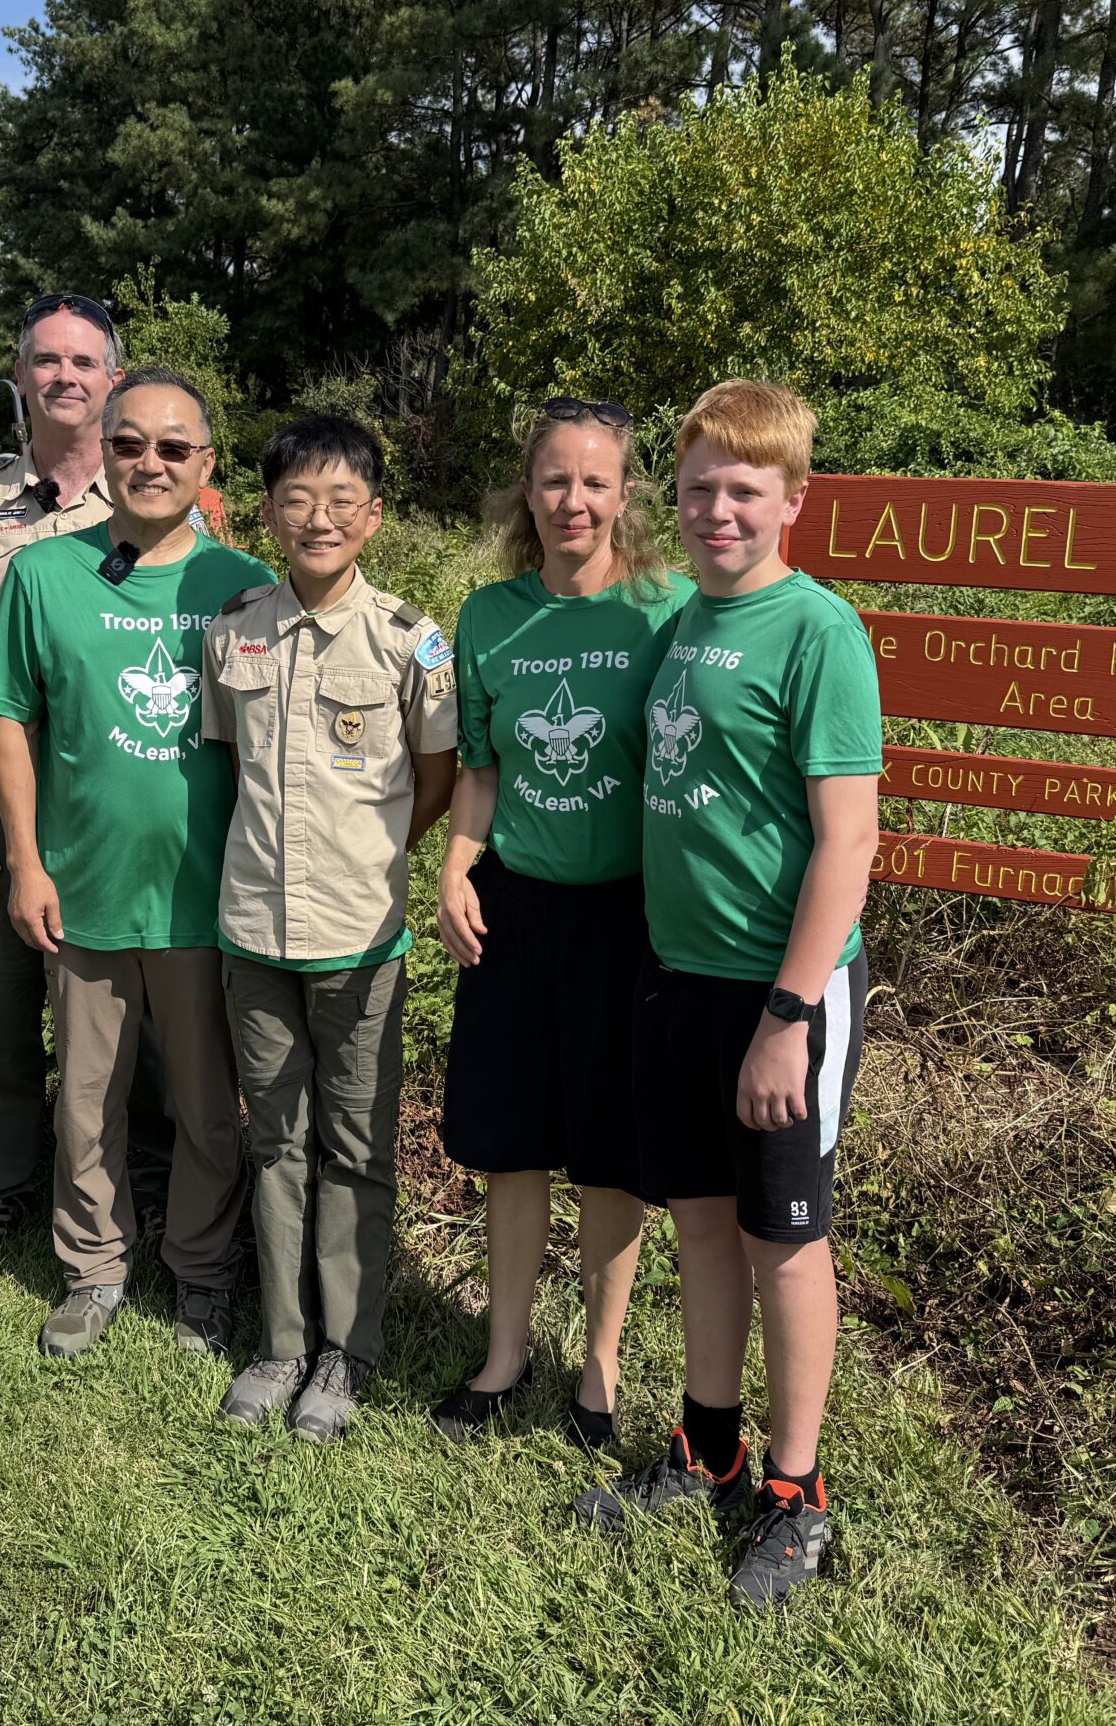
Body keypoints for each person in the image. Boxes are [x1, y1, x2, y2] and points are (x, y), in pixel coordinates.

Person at [571, 379, 881, 1614]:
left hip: (775, 991)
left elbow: (847, 844)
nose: (715, 511)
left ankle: (796, 1497)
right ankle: (707, 1448)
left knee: (783, 1238)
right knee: (700, 1220)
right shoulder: (684, 624)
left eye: (743, 491)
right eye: (697, 488)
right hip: (676, 980)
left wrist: (790, 1017)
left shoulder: (818, 632)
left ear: (794, 501)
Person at [0, 367, 274, 1358]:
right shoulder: (42, 575)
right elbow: (9, 722)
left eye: (173, 447)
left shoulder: (241, 588)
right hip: (84, 889)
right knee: (87, 1102)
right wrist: (25, 861)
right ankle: (93, 1267)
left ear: (206, 464)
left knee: (203, 1109)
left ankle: (198, 1274)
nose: (151, 462)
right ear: (102, 452)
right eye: (130, 444)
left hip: (206, 901)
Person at [428, 397, 692, 1447]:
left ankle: (600, 1367)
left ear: (624, 493)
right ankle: (503, 1355)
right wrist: (455, 868)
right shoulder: (491, 616)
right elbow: (481, 769)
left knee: (611, 1155)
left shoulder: (667, 611)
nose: (572, 500)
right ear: (523, 493)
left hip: (630, 917)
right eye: (553, 480)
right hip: (517, 909)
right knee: (514, 1144)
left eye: (594, 481)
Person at [200, 416, 459, 1442]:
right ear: (266, 513)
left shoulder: (407, 637)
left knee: (355, 1148)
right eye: (298, 499)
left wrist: (373, 853)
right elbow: (226, 770)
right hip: (252, 932)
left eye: (341, 500)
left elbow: (432, 779)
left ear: (374, 518)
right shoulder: (234, 631)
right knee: (275, 1144)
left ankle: (347, 1357)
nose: (319, 517)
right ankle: (279, 1344)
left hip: (361, 940)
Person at [0, 293, 176, 1275]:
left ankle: (143, 1181)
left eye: (83, 361)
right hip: (3, 798)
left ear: (115, 376)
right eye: (45, 361)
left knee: (138, 1014)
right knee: (3, 998)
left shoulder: (152, 496)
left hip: (122, 794)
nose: (64, 377)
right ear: (20, 376)